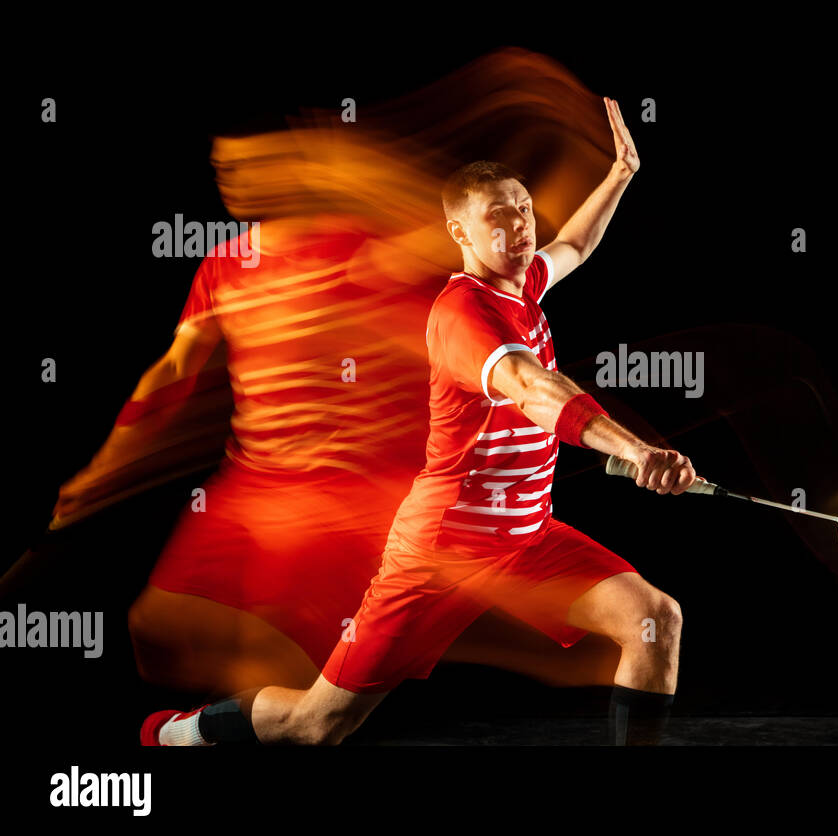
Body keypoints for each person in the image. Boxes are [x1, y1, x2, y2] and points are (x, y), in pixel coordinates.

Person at [143, 97, 698, 746]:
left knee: (653, 617)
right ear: (461, 234)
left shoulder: (524, 286)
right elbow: (533, 388)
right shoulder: (465, 315)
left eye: (523, 208)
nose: (519, 225)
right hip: (441, 551)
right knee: (316, 726)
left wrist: (620, 174)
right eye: (498, 216)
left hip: (524, 540)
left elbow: (573, 243)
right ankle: (186, 734)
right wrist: (635, 451)